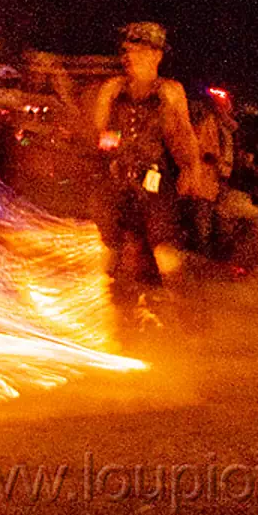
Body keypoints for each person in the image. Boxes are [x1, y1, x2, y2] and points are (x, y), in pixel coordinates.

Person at [92, 22, 204, 324]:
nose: (130, 57)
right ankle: (115, 311)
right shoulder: (113, 90)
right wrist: (111, 153)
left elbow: (181, 133)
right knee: (109, 246)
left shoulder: (169, 91)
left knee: (163, 246)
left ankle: (188, 313)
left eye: (139, 51)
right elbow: (102, 132)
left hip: (153, 179)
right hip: (118, 179)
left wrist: (191, 168)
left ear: (156, 55)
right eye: (127, 51)